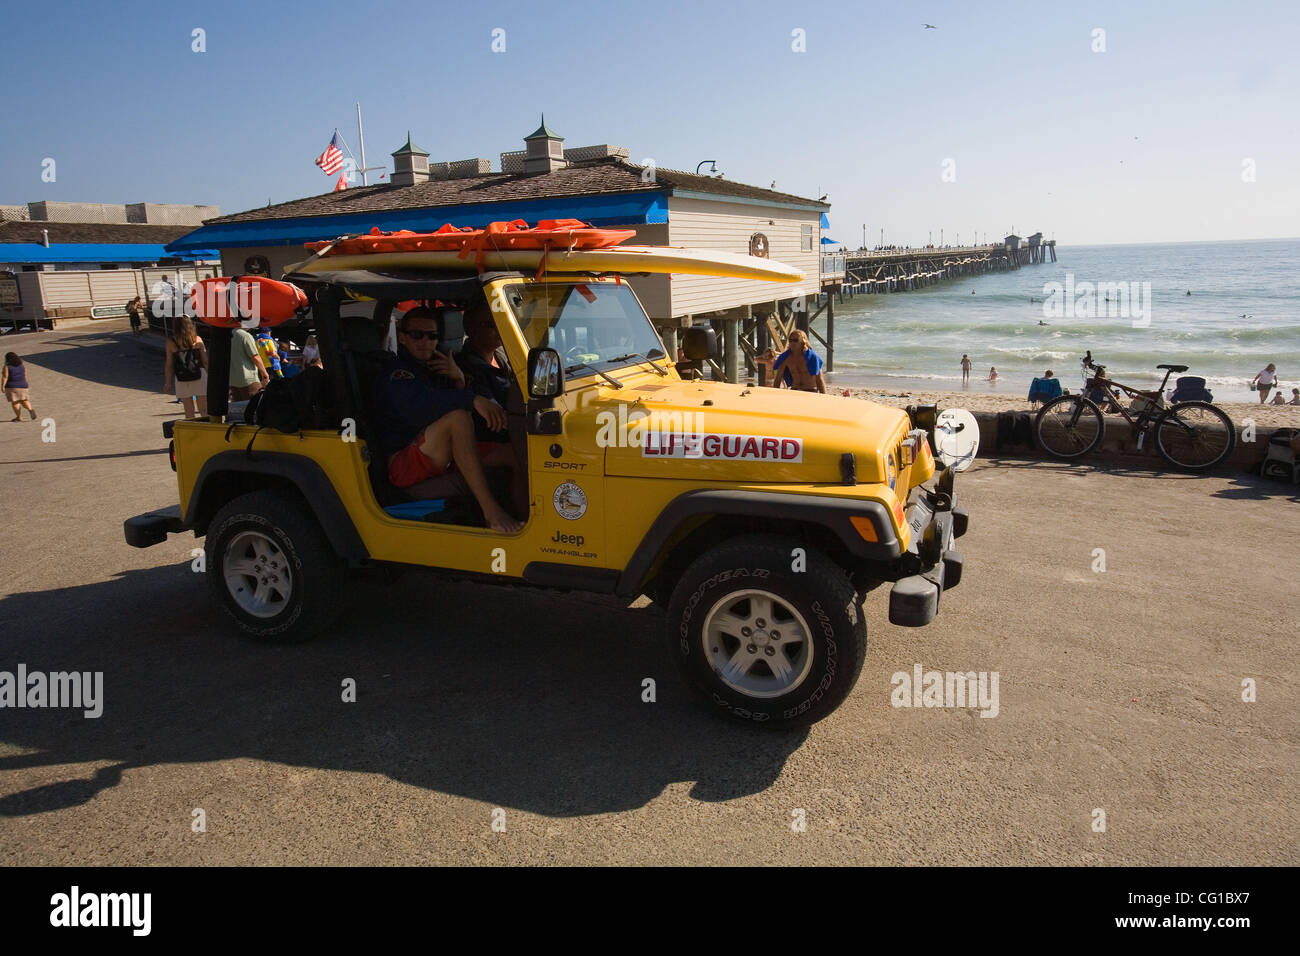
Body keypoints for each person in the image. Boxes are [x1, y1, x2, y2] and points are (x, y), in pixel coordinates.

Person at [373, 306, 522, 534]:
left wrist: (459, 380)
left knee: (513, 452)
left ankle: (528, 523)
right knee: (457, 419)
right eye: (417, 335)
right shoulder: (397, 373)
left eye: (432, 336)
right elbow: (421, 409)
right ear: (402, 338)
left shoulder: (434, 366)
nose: (425, 341)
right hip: (405, 463)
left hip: (439, 451)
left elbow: (454, 404)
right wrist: (472, 399)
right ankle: (492, 513)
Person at [164, 315, 209, 420]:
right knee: (204, 410)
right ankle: (207, 431)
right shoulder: (197, 340)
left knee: (189, 411)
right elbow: (205, 361)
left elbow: (169, 364)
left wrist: (167, 382)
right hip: (199, 374)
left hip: (181, 377)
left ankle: (192, 434)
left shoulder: (171, 342)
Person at [229, 327, 269, 401]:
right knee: (255, 405)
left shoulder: (228, 334)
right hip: (248, 378)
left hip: (232, 380)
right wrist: (264, 373)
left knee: (239, 408)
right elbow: (255, 356)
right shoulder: (245, 335)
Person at [3, 352, 36, 421]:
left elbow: (5, 377)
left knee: (15, 402)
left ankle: (19, 417)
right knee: (24, 400)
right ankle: (31, 410)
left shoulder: (7, 367)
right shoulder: (21, 365)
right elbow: (24, 375)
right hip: (23, 385)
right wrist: (25, 383)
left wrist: (2, 386)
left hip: (12, 386)